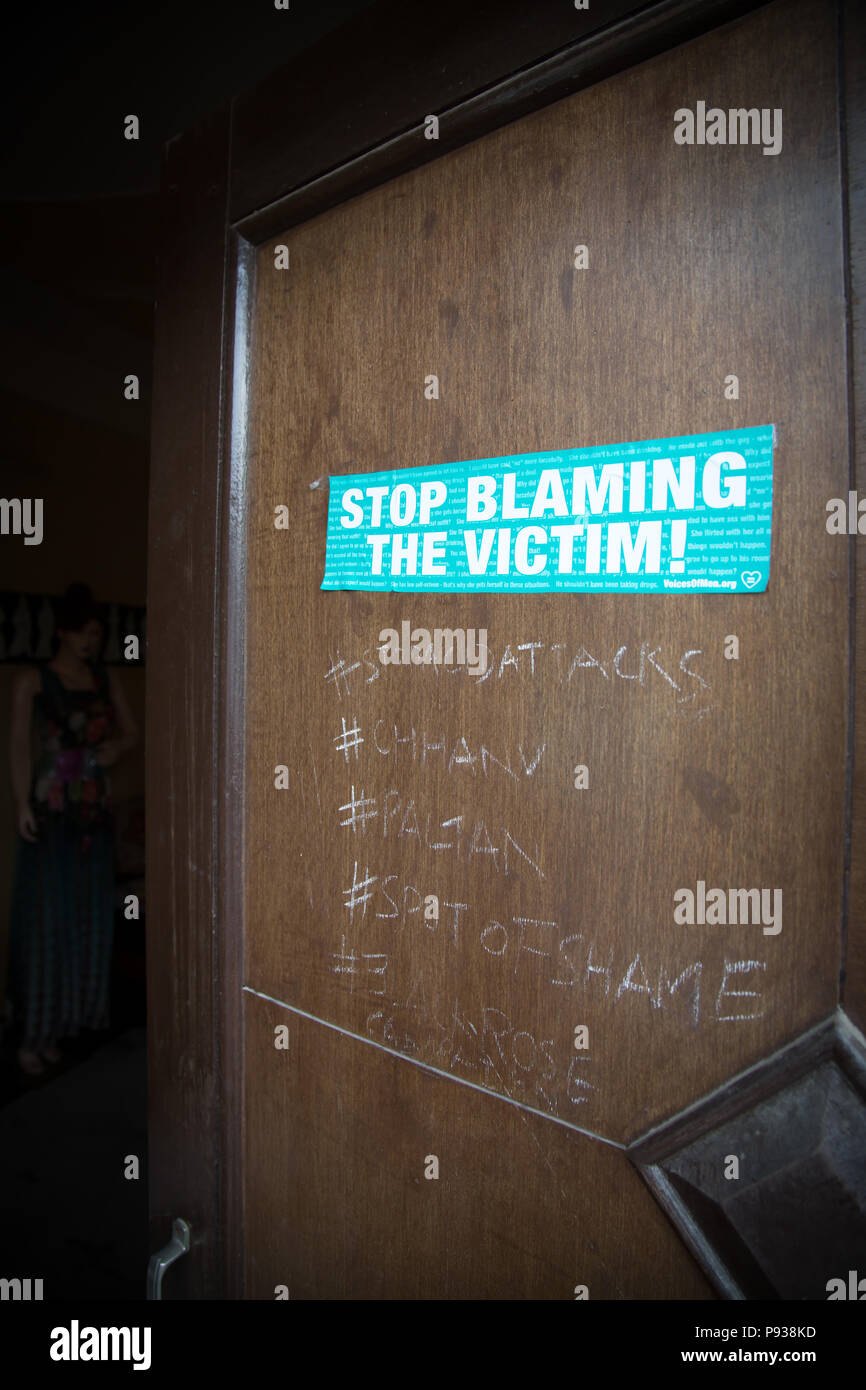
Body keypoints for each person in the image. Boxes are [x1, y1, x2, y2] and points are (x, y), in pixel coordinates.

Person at [7, 583, 138, 1076]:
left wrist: (115, 751)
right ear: (62, 631)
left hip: (93, 813)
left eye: (97, 634)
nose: (91, 641)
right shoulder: (33, 681)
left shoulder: (105, 679)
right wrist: (22, 803)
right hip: (52, 812)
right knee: (46, 922)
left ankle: (67, 1025)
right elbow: (19, 746)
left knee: (86, 920)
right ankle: (31, 1035)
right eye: (84, 632)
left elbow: (131, 733)